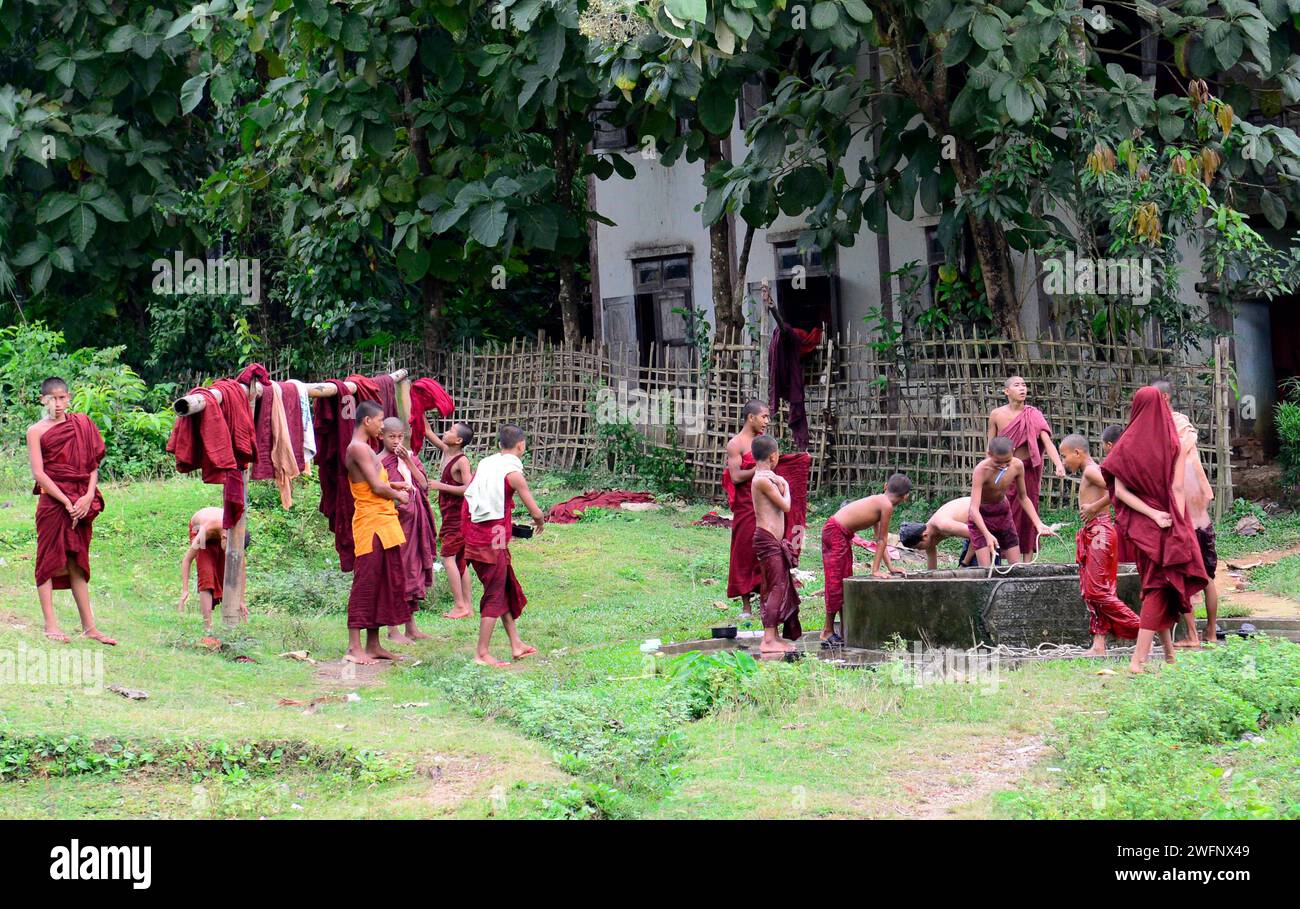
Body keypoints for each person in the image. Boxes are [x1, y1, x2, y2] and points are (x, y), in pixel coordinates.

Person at [1100, 387, 1209, 673]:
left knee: (1157, 585)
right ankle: (1138, 661)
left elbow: (1120, 492)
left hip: (1142, 526)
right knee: (1158, 587)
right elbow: (1176, 488)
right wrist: (1177, 521)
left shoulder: (1124, 446)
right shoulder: (1172, 443)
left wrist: (1150, 514)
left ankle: (1170, 656)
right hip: (1169, 522)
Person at [27, 377, 115, 646]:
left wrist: (88, 496)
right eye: (52, 398)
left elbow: (92, 464)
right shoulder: (36, 431)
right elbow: (39, 474)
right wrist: (66, 501)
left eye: (62, 397)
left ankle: (90, 627)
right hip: (54, 503)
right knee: (48, 560)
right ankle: (50, 625)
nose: (58, 404)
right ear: (43, 400)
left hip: (81, 502)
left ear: (69, 397)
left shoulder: (82, 424)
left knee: (78, 561)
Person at [462, 424, 545, 667]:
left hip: (476, 532)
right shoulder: (513, 474)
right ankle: (482, 653)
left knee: (503, 586)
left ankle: (516, 644)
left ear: (499, 445)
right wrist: (540, 521)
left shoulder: (487, 464)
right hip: (493, 538)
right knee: (495, 592)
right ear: (521, 445)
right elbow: (535, 510)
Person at [343, 401, 411, 665]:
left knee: (384, 580)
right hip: (370, 523)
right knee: (367, 581)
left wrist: (393, 483)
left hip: (384, 523)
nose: (383, 425)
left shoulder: (366, 448)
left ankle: (373, 644)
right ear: (367, 421)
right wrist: (399, 496)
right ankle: (353, 647)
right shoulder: (357, 448)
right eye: (380, 420)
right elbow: (375, 487)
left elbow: (376, 481)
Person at [1060, 434, 1139, 654]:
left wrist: (1095, 507)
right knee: (1091, 590)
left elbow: (1119, 491)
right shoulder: (1089, 471)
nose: (1063, 462)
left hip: (1100, 532)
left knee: (1097, 591)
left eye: (1064, 456)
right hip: (1093, 532)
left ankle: (1142, 629)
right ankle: (1099, 644)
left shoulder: (1091, 470)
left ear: (1078, 453)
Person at [1153, 381, 1218, 647]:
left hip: (1185, 516)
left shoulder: (1168, 429)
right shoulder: (1184, 428)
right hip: (1201, 513)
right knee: (1208, 577)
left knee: (1186, 575)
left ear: (1164, 398)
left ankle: (1194, 635)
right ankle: (1210, 633)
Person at [819, 473, 911, 645]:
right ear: (906, 496)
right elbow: (883, 539)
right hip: (835, 533)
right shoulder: (886, 506)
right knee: (836, 583)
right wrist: (875, 570)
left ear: (885, 486)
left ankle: (844, 631)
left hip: (840, 535)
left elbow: (878, 538)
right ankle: (827, 631)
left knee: (845, 580)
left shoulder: (879, 500)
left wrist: (890, 567)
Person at [988, 376, 1065, 556]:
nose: (1022, 388)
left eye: (1024, 385)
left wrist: (1058, 464)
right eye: (1017, 385)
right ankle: (1005, 554)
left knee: (1028, 512)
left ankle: (1028, 557)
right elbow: (990, 446)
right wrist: (988, 470)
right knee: (1004, 511)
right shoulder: (996, 415)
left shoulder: (1033, 414)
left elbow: (1047, 442)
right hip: (1004, 471)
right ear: (1007, 391)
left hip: (1026, 471)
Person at [379, 418, 436, 643]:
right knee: (396, 572)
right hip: (395, 522)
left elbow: (423, 484)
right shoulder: (379, 461)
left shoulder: (410, 457)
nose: (396, 441)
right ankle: (393, 630)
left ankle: (411, 627)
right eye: (391, 436)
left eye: (399, 436)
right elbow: (378, 490)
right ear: (381, 436)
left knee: (413, 570)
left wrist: (407, 461)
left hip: (415, 522)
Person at [968, 436, 1056, 566]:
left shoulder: (1017, 465)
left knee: (1015, 566)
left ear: (1013, 451)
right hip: (982, 514)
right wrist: (987, 534)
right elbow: (973, 509)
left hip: (1003, 512)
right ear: (989, 454)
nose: (1003, 466)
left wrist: (1038, 523)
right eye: (998, 463)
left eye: (1007, 462)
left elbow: (1023, 497)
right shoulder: (981, 471)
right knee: (986, 570)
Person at [750, 435, 802, 653]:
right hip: (767, 540)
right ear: (774, 455)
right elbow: (786, 506)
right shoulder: (761, 480)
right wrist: (787, 486)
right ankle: (768, 639)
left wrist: (779, 480)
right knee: (777, 587)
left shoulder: (766, 477)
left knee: (774, 586)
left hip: (772, 540)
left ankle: (774, 636)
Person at [725, 400, 770, 619]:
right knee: (743, 551)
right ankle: (746, 606)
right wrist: (758, 469)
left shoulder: (764, 442)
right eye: (764, 417)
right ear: (751, 417)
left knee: (764, 551)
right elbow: (735, 477)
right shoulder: (737, 444)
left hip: (764, 505)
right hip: (745, 506)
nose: (767, 422)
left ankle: (765, 600)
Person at [426, 421, 475, 619]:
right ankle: (468, 608)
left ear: (459, 440)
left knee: (447, 559)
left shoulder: (462, 461)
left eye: (450, 431)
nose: (445, 432)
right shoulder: (447, 450)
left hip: (457, 517)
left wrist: (440, 486)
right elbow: (428, 432)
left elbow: (469, 489)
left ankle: (460, 605)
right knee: (460, 562)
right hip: (448, 515)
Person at [178, 506, 249, 632]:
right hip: (201, 529)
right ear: (224, 538)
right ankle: (208, 627)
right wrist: (185, 590)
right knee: (206, 574)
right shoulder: (205, 531)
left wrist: (241, 600)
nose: (230, 553)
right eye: (229, 550)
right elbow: (187, 560)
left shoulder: (237, 537)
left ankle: (229, 627)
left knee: (223, 574)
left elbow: (241, 569)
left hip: (221, 530)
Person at [896, 496, 975, 569]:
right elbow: (932, 570)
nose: (920, 550)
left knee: (975, 570)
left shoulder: (943, 525)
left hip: (983, 518)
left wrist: (965, 563)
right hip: (973, 530)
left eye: (918, 547)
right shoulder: (928, 535)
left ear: (925, 536)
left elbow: (977, 536)